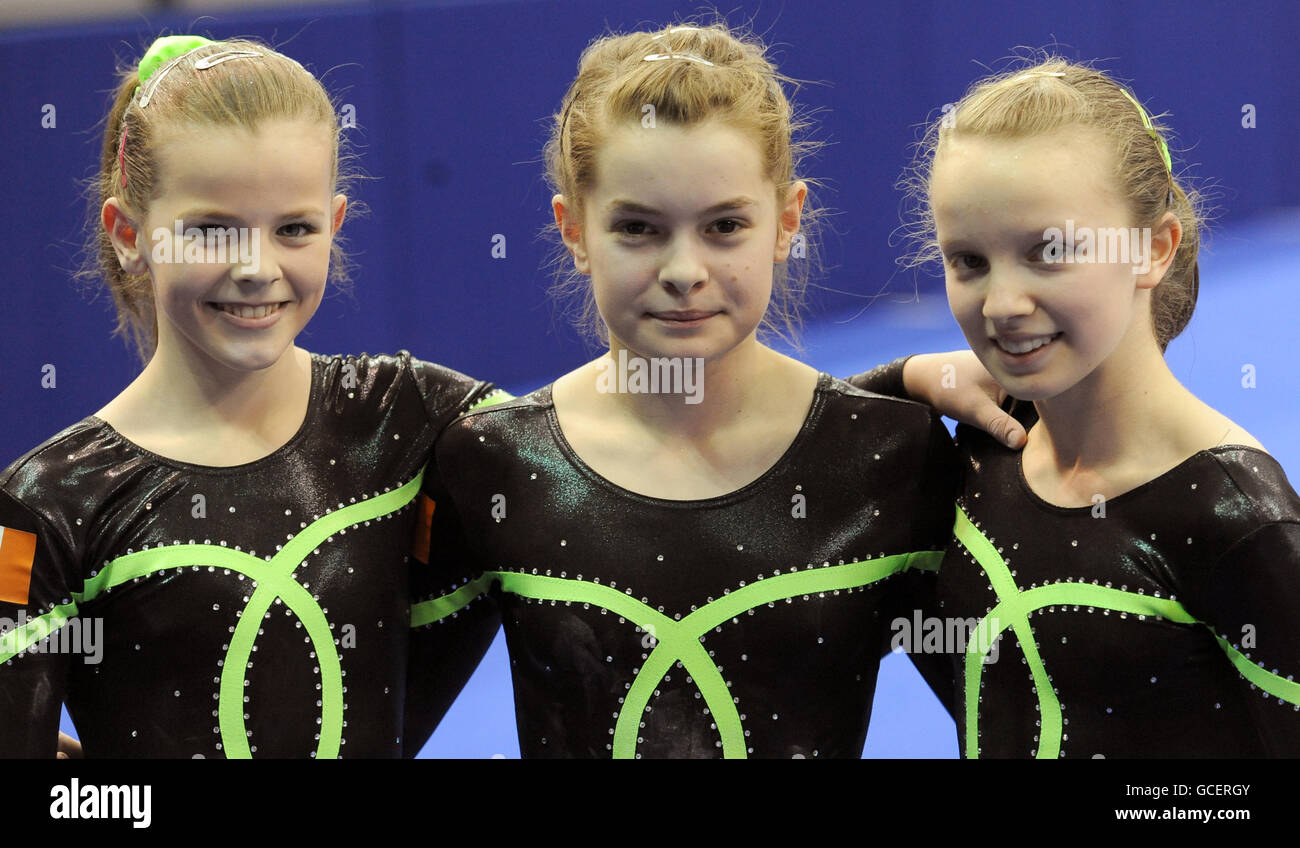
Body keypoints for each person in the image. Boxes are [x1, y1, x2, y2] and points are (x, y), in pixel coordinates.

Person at [432, 21, 960, 758]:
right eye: (640, 229)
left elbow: (1030, 718)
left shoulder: (886, 459)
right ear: (574, 230)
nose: (683, 269)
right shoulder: (496, 462)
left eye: (724, 226)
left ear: (786, 222)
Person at [0, 35, 502, 758]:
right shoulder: (49, 506)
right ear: (129, 235)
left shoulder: (412, 421)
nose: (256, 268)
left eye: (293, 229)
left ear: (334, 224)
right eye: (211, 231)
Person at [896, 58, 1300, 756]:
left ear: (1154, 249)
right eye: (969, 261)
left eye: (1049, 251)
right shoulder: (974, 459)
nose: (1001, 306)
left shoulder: (1236, 520)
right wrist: (905, 375)